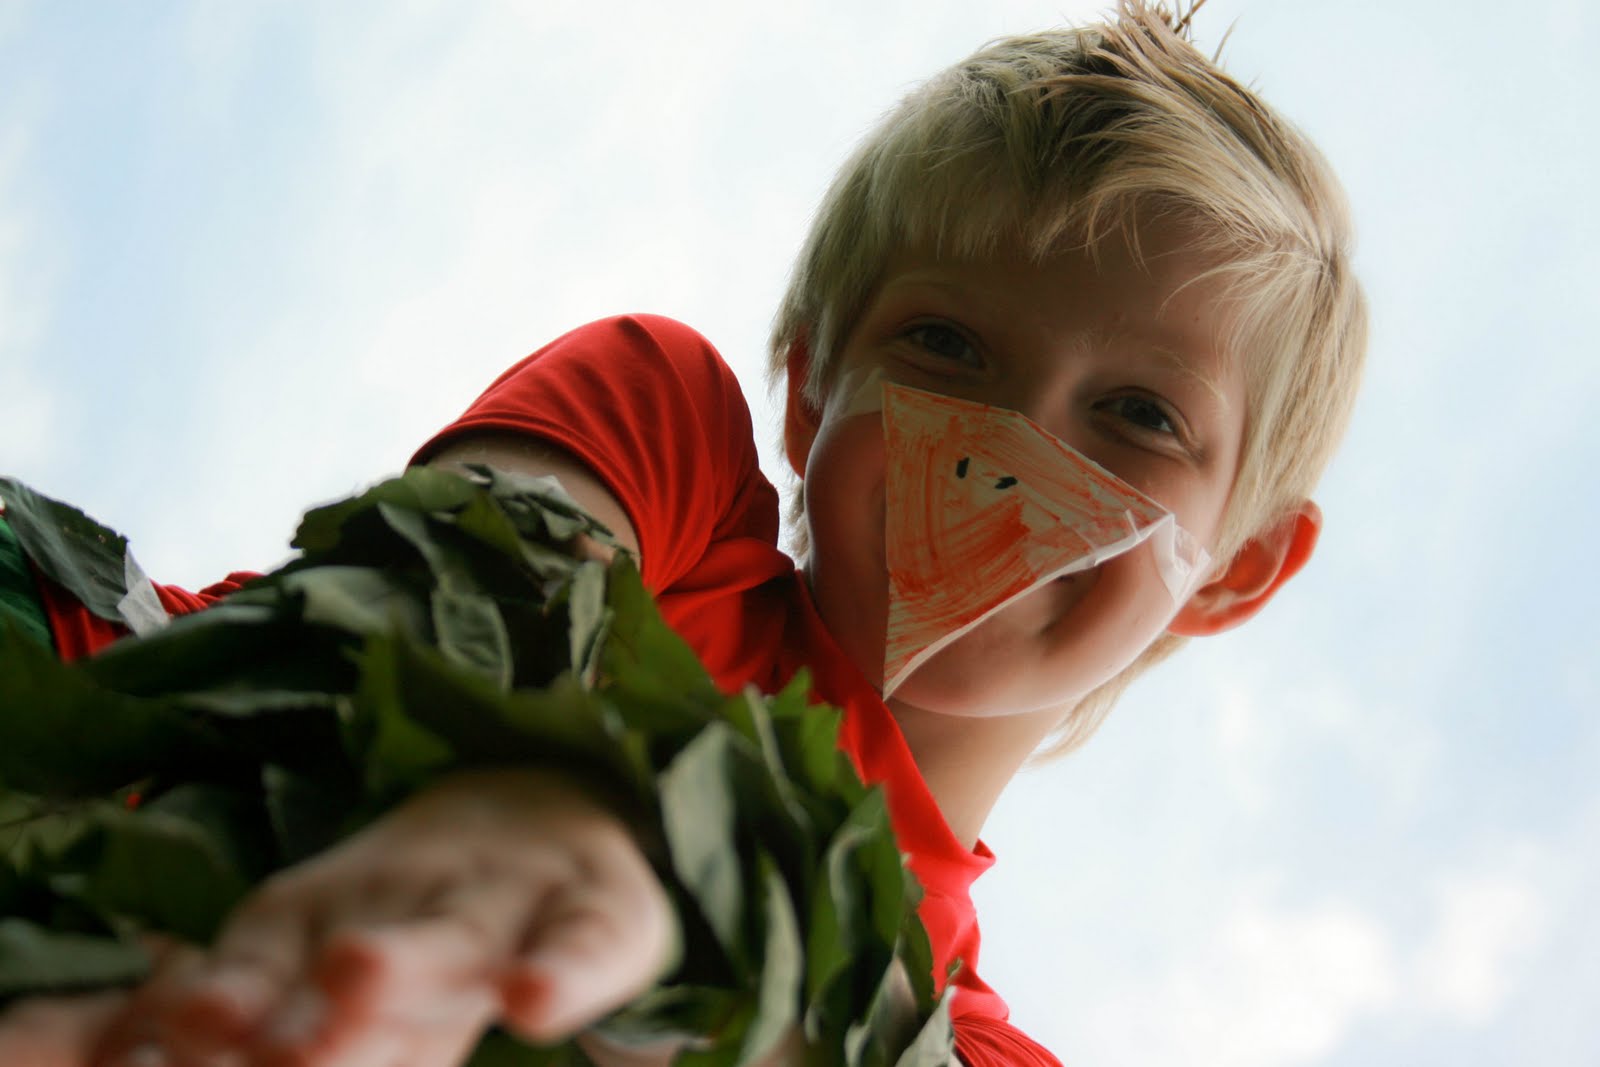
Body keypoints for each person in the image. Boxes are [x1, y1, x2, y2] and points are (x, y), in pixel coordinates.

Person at [0, 3, 1366, 1064]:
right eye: (944, 346)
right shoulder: (672, 461)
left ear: (1237, 569)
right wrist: (543, 778)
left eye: (1137, 415)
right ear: (809, 391)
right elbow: (477, 572)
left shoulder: (950, 1047)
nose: (1011, 453)